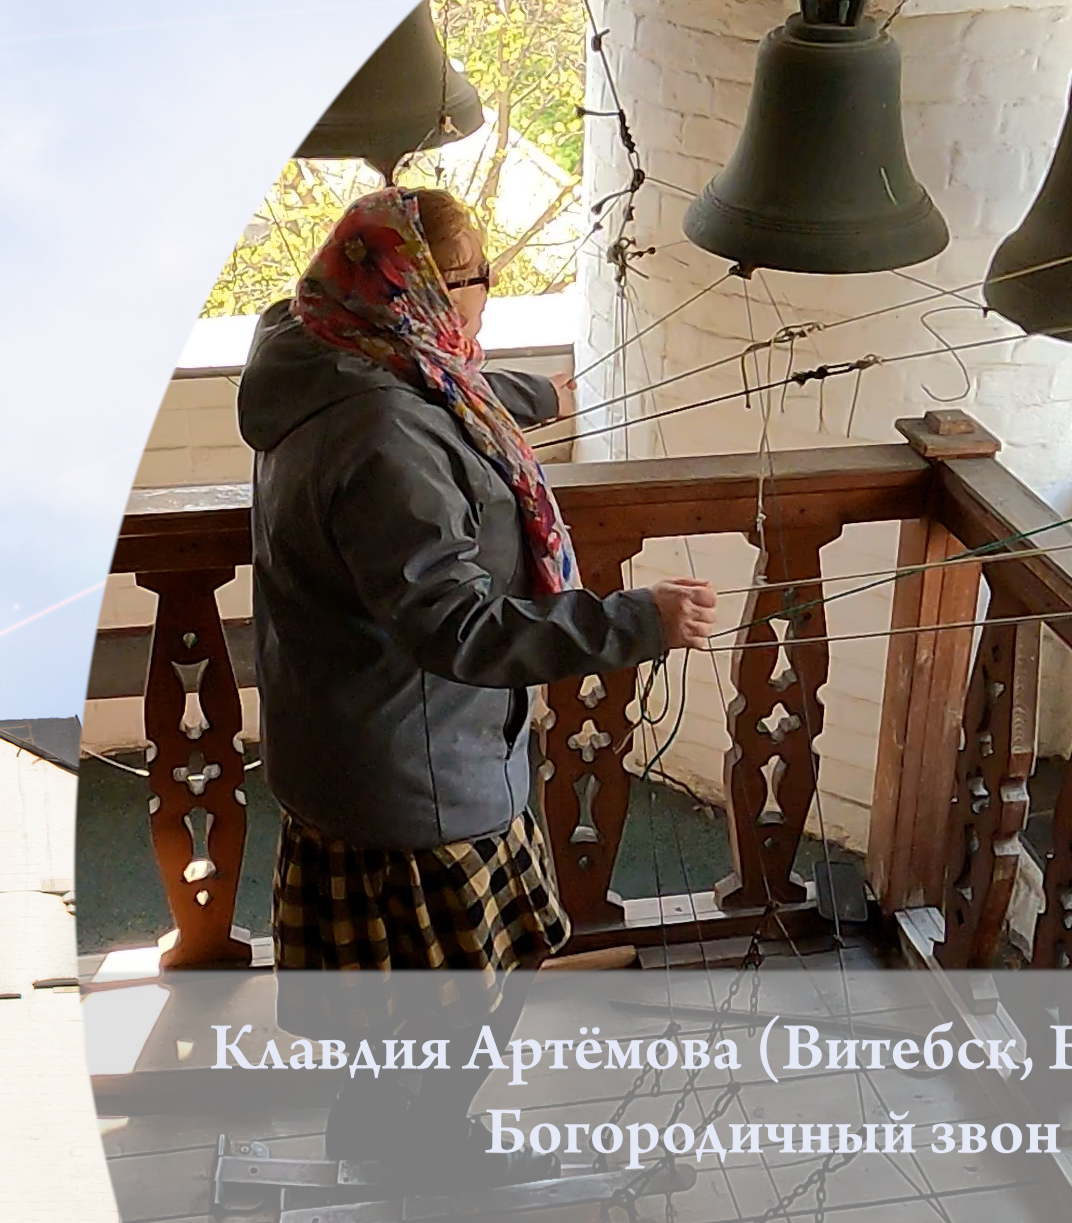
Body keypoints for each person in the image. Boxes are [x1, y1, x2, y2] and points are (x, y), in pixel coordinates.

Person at [237, 186, 719, 1183]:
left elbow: (431, 384)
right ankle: (425, 1153)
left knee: (400, 996)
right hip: (414, 771)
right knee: (464, 992)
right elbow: (453, 623)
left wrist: (525, 396)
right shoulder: (385, 439)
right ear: (414, 289)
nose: (486, 297)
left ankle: (376, 1133)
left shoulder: (315, 345)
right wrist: (634, 622)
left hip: (353, 741)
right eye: (475, 280)